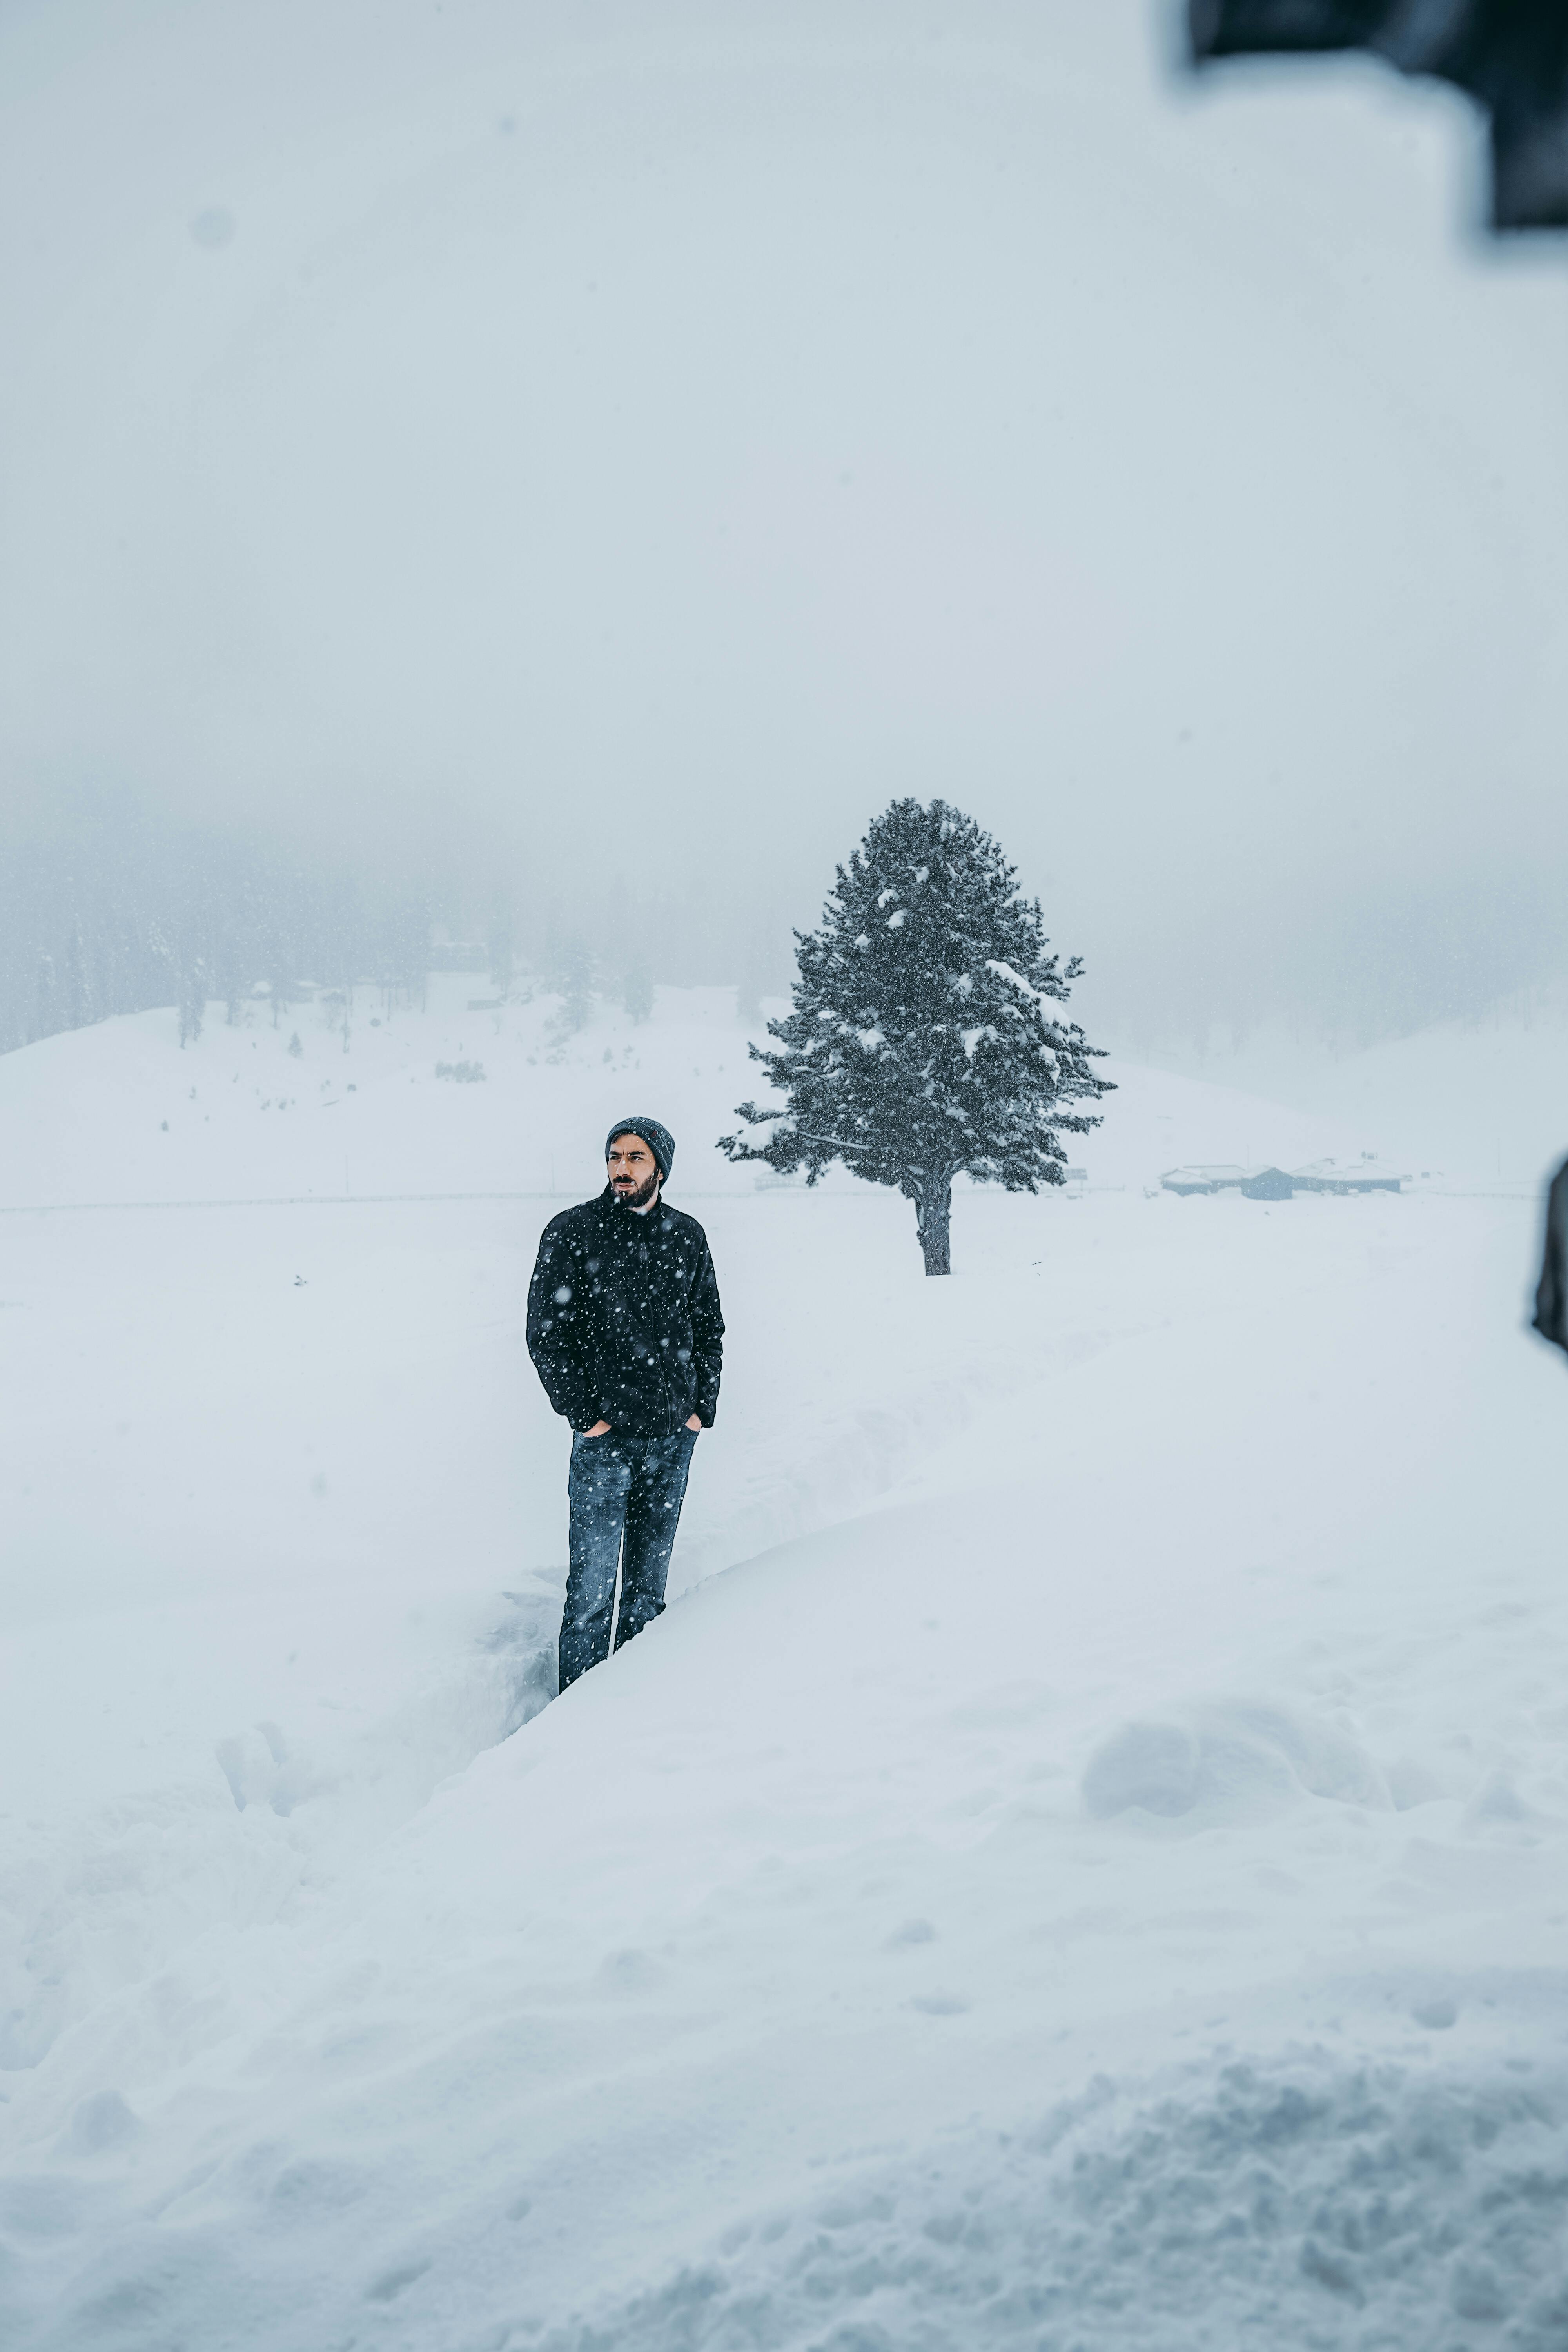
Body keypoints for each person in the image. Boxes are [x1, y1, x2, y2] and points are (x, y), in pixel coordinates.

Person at [526, 1118, 724, 1691]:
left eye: (636, 1158)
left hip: (671, 1440)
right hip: (605, 1444)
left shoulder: (686, 1235)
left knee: (647, 1590)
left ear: (659, 1167)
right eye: (615, 1156)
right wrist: (586, 1417)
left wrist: (698, 1410)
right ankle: (576, 1710)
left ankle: (633, 1707)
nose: (622, 1168)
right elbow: (547, 1334)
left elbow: (708, 1326)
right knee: (591, 1592)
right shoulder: (574, 1232)